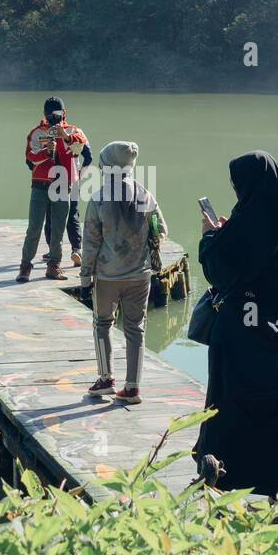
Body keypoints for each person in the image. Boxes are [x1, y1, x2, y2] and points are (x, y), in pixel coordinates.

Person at [194, 151, 278, 498]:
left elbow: (220, 270)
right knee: (276, 408)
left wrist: (209, 237)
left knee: (232, 405)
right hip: (277, 336)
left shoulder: (244, 224)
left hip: (241, 336)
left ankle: (226, 475)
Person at [80, 141, 166, 405]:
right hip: (140, 275)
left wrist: (85, 278)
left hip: (107, 275)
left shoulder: (98, 199)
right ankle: (132, 387)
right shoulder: (146, 195)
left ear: (106, 167)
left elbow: (91, 243)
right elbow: (161, 230)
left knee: (102, 324)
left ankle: (106, 379)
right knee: (135, 329)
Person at [17, 97, 87, 283]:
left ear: (64, 113)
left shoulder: (73, 130)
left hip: (63, 185)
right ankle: (25, 265)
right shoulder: (37, 133)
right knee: (34, 228)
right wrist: (47, 152)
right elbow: (30, 157)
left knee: (58, 228)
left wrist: (64, 136)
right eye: (50, 115)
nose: (54, 118)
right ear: (45, 114)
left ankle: (54, 265)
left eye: (58, 114)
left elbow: (80, 148)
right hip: (40, 185)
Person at [42, 141, 92, 266]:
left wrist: (80, 173)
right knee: (72, 215)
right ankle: (77, 250)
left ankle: (54, 250)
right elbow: (88, 156)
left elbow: (88, 155)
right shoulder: (76, 133)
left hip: (54, 180)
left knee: (52, 214)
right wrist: (80, 173)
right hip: (70, 179)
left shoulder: (51, 133)